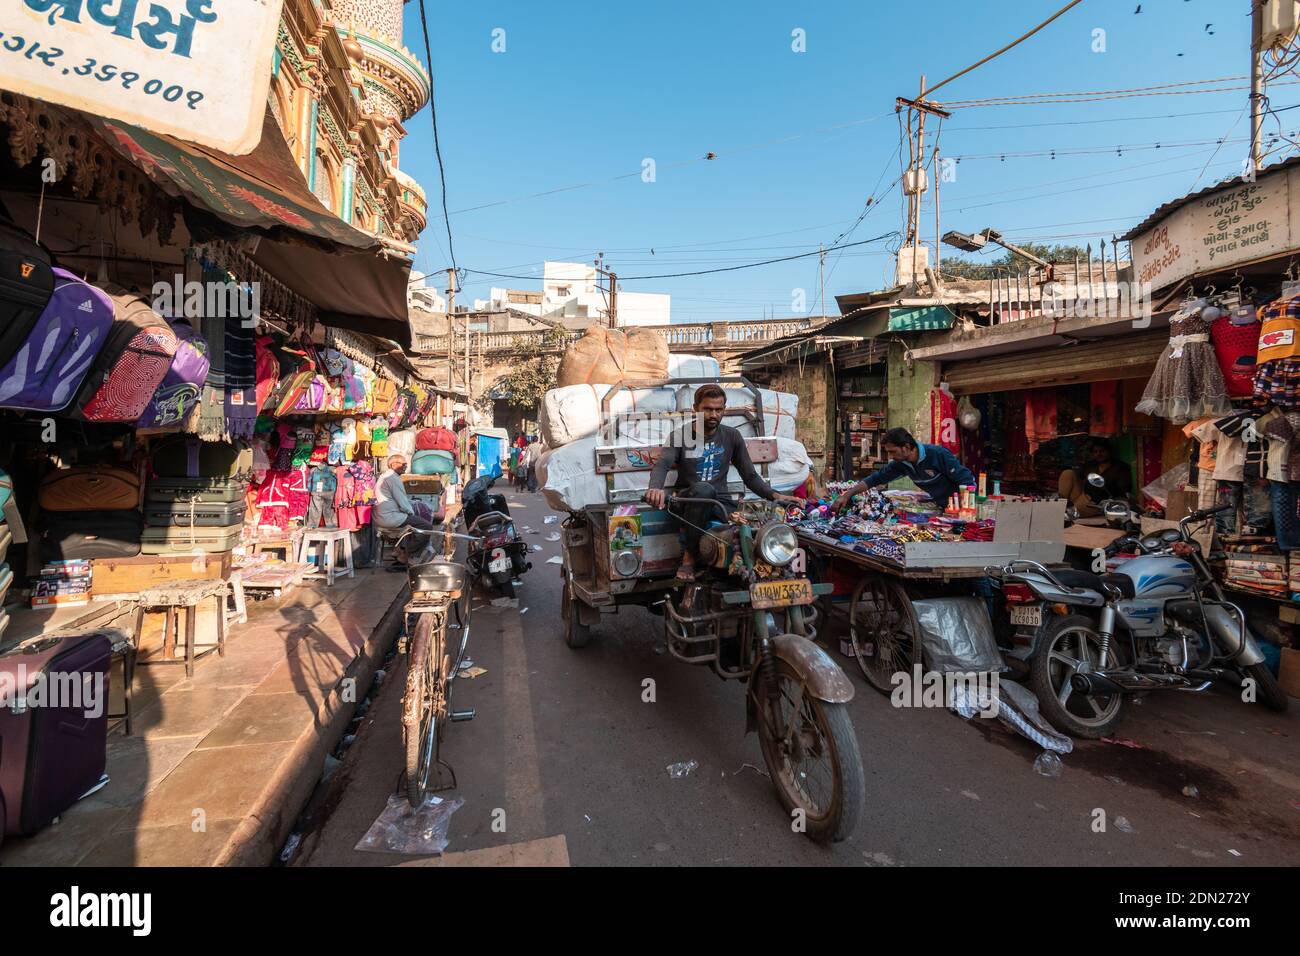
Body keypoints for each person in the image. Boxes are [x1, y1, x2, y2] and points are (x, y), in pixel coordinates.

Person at [646, 384, 800, 581]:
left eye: (718, 410)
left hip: (721, 503)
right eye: (708, 409)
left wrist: (775, 495)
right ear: (695, 408)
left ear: (724, 410)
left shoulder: (731, 436)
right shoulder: (680, 435)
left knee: (753, 525)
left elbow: (750, 476)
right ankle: (690, 557)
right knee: (704, 489)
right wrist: (655, 488)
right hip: (690, 502)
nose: (713, 414)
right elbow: (663, 464)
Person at [831, 427, 975, 513]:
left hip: (962, 509)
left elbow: (967, 480)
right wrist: (847, 495)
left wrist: (964, 509)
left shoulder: (938, 454)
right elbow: (875, 479)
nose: (891, 456)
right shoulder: (902, 463)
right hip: (943, 509)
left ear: (906, 447)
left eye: (893, 452)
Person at [1058, 438, 1132, 518]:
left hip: (1097, 503)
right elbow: (1076, 477)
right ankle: (1060, 504)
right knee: (1068, 473)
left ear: (1109, 451)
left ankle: (1064, 510)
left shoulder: (1120, 467)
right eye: (1095, 452)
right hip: (1083, 496)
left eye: (1102, 451)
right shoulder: (1090, 465)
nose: (1099, 454)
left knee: (1067, 513)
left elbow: (1123, 489)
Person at [375, 454, 436, 535]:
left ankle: (406, 545)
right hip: (389, 517)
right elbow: (404, 504)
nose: (405, 467)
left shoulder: (386, 476)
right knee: (427, 527)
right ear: (393, 465)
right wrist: (413, 514)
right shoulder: (392, 478)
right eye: (403, 464)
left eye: (406, 464)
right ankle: (410, 547)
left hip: (382, 516)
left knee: (417, 514)